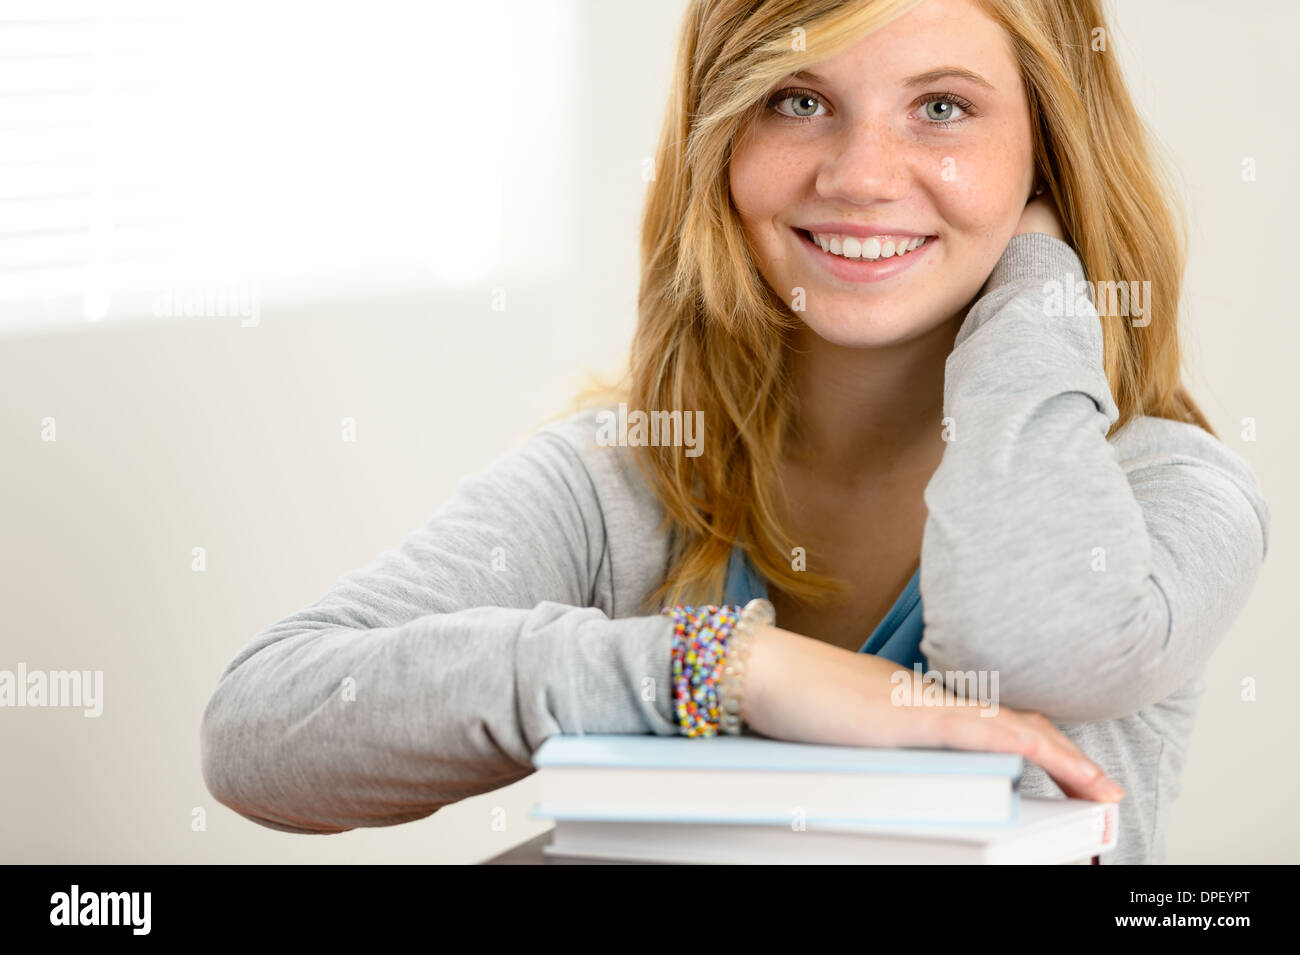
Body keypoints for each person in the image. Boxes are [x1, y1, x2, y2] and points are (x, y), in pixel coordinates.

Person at [201, 0, 1269, 865]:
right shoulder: (625, 480)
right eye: (798, 98)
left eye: (943, 109)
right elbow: (261, 730)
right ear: (722, 138)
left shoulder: (1170, 494)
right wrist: (721, 670)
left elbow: (1029, 639)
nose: (857, 176)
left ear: (1047, 154)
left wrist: (1038, 284)